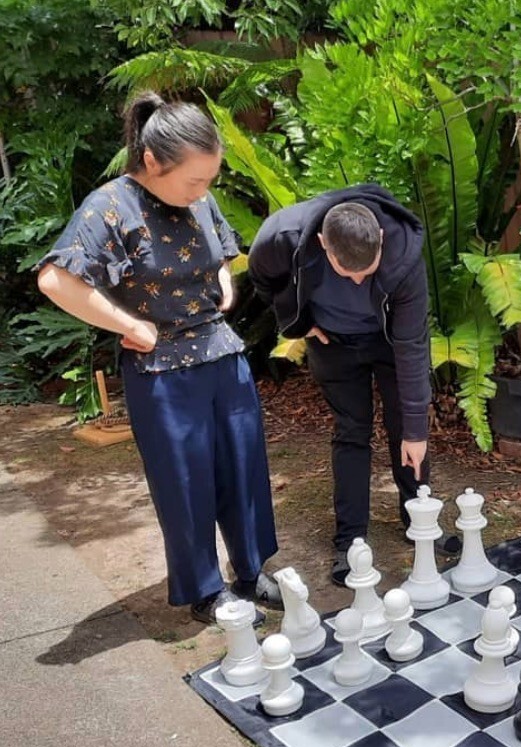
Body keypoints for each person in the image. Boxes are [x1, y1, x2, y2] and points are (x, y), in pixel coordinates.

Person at [36, 93, 282, 624]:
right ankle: (206, 591)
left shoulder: (200, 197)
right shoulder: (109, 205)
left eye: (209, 180)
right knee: (184, 480)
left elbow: (220, 252)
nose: (204, 192)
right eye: (195, 181)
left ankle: (251, 569)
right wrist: (127, 325)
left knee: (243, 466)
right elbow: (55, 278)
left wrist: (224, 287)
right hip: (161, 370)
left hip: (221, 353)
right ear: (152, 162)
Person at [248, 186, 456, 587]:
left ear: (379, 235)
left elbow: (413, 344)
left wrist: (416, 430)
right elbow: (262, 278)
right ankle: (350, 541)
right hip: (332, 344)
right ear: (323, 244)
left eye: (369, 269)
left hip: (390, 341)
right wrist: (297, 322)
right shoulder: (283, 237)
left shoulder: (405, 252)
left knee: (405, 429)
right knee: (351, 432)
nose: (360, 280)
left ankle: (419, 516)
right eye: (349, 273)